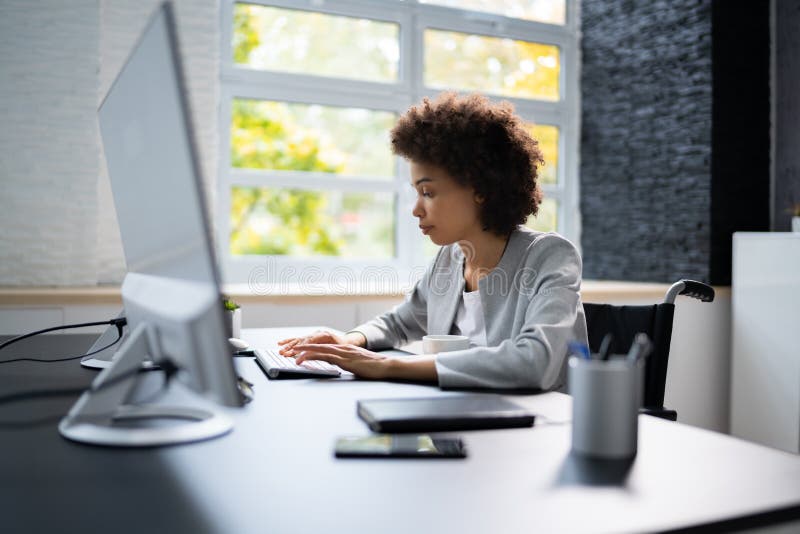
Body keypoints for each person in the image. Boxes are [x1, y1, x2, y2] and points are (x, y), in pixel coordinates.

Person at [278, 92, 587, 390]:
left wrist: (387, 366)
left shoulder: (550, 256)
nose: (416, 209)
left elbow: (533, 362)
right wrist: (348, 340)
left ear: (481, 190)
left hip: (541, 419)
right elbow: (401, 322)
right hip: (465, 413)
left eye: (428, 192)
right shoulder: (452, 257)